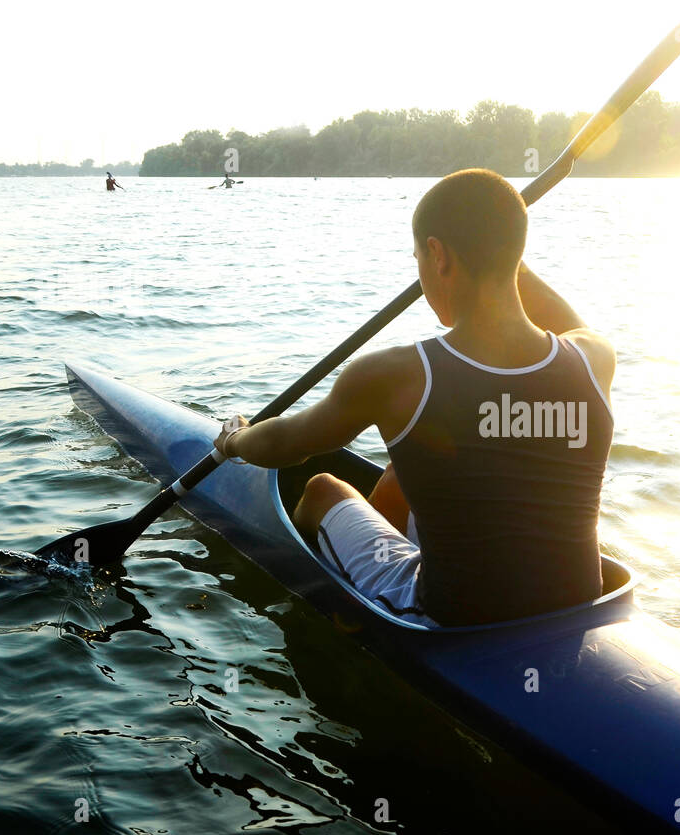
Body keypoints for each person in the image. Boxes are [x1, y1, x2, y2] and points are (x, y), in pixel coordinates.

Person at [214, 168, 615, 627]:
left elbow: (285, 444)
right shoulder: (594, 359)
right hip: (582, 597)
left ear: (437, 255)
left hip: (449, 615)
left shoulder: (398, 376)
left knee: (323, 490)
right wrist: (507, 255)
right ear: (515, 256)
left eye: (418, 258)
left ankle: (329, 618)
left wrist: (235, 440)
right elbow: (573, 328)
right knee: (402, 472)